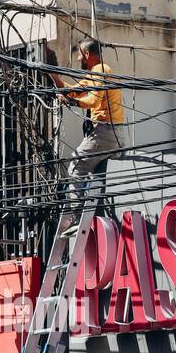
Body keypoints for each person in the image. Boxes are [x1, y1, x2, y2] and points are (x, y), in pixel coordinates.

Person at [49, 38, 127, 228]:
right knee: (96, 177)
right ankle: (96, 220)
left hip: (104, 132)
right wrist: (50, 73)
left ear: (86, 54)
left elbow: (92, 100)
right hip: (112, 133)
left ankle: (77, 218)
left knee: (76, 167)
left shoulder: (100, 70)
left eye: (79, 56)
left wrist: (73, 102)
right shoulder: (95, 74)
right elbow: (71, 91)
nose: (78, 60)